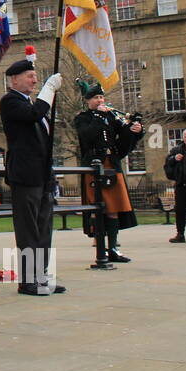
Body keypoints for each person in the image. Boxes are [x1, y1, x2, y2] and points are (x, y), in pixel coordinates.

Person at [0, 54, 64, 295]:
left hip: (43, 175)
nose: (34, 81)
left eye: (36, 77)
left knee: (44, 229)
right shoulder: (10, 101)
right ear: (14, 80)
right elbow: (34, 115)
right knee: (28, 231)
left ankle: (42, 276)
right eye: (30, 76)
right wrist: (49, 89)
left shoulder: (30, 103)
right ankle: (28, 281)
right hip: (25, 176)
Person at [72, 81, 143, 262]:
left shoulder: (111, 117)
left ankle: (113, 247)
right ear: (88, 100)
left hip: (111, 164)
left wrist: (134, 130)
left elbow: (123, 137)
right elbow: (86, 135)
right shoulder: (83, 118)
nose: (100, 100)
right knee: (97, 208)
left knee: (114, 208)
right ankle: (100, 248)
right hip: (94, 166)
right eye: (96, 97)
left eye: (101, 97)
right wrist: (97, 116)